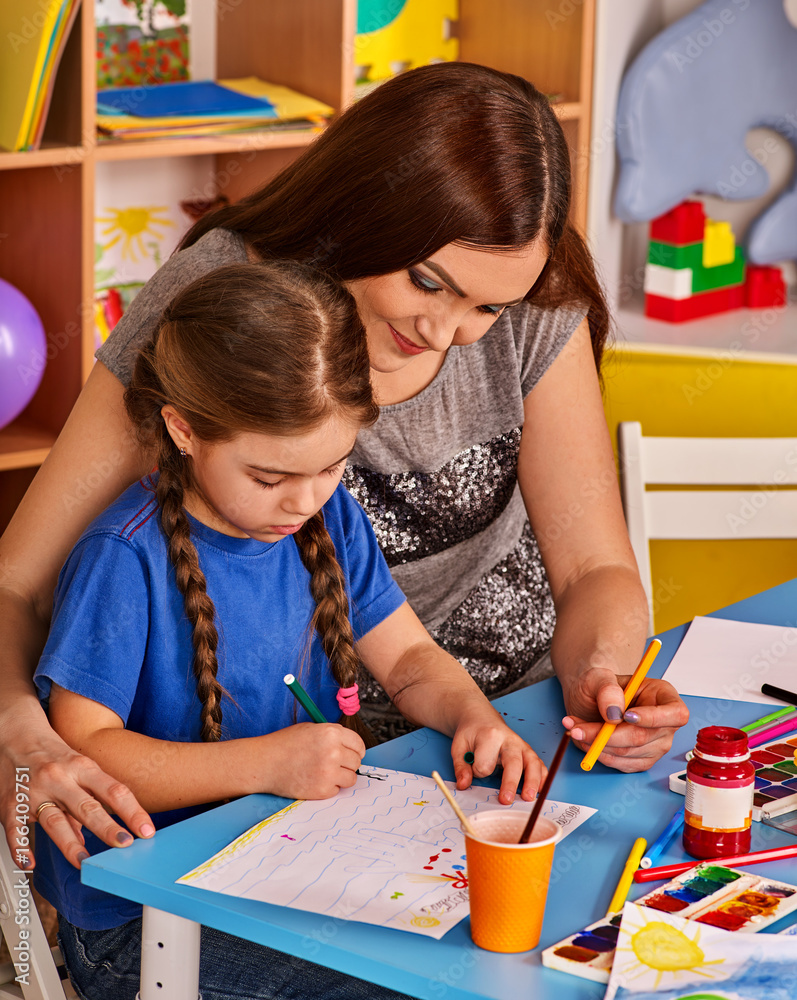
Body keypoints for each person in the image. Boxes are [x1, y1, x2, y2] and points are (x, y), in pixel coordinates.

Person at [0, 61, 689, 872]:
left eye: (487, 307)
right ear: (367, 208)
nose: (444, 333)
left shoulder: (533, 296)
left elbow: (592, 568)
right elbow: (19, 585)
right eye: (427, 283)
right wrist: (20, 737)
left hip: (506, 729)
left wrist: (601, 682)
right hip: (290, 761)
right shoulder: (231, 308)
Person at [33, 261, 542, 1000]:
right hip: (138, 919)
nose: (302, 502)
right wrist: (267, 764)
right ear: (183, 430)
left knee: (490, 949)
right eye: (269, 478)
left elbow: (406, 657)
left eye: (331, 466)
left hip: (282, 866)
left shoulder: (328, 520)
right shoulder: (124, 557)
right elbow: (86, 750)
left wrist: (472, 714)